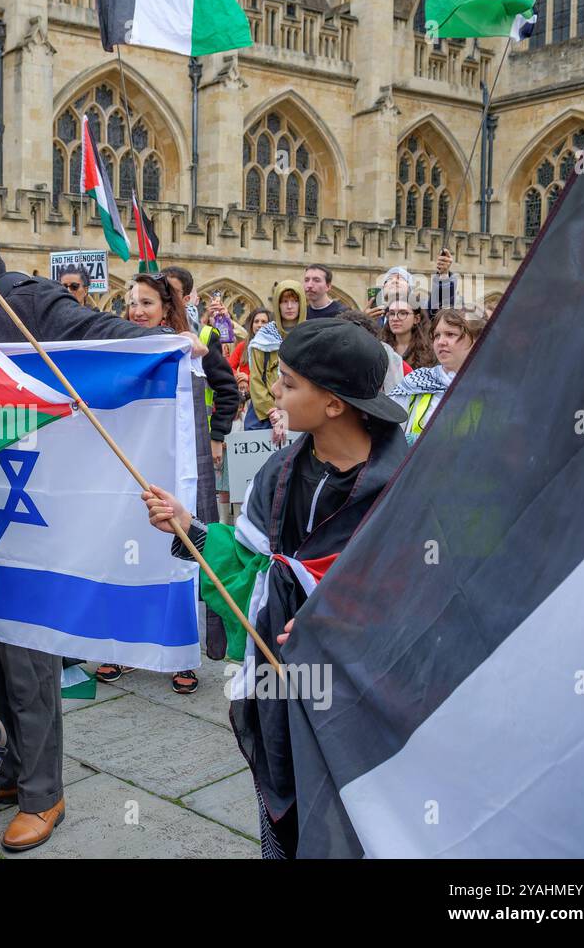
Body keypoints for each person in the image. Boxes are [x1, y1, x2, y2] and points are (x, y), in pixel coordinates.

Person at [0, 210, 165, 851]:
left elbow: (105, 336)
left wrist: (170, 345)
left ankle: (43, 792)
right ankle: (3, 771)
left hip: (27, 512)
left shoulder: (27, 300)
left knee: (26, 661)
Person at [143, 318, 409, 858]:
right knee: (285, 800)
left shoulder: (404, 488)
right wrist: (187, 527)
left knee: (355, 816)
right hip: (281, 682)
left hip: (361, 695)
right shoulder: (280, 471)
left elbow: (418, 597)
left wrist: (340, 627)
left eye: (288, 384)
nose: (274, 395)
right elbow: (254, 566)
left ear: (334, 403)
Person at [96, 274, 233, 693]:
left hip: (178, 470)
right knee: (127, 556)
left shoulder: (186, 345)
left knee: (178, 557)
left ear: (166, 308)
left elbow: (210, 367)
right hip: (131, 468)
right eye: (131, 302)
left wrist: (216, 435)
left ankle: (180, 654)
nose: (137, 310)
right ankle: (121, 648)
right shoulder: (121, 348)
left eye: (146, 303)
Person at [388, 307, 485, 444]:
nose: (440, 342)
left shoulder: (492, 388)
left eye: (450, 334)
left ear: (477, 341)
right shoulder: (416, 381)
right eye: (437, 335)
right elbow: (387, 431)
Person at [246, 280, 307, 429]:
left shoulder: (310, 335)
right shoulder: (263, 338)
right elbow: (256, 380)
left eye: (294, 301)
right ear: (277, 305)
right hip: (267, 415)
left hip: (302, 413)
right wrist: (273, 411)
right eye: (284, 301)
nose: (290, 306)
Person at [228, 306, 271, 408]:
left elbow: (271, 375)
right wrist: (239, 378)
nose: (259, 325)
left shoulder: (273, 347)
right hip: (246, 398)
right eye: (256, 321)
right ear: (252, 325)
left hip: (266, 397)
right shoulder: (243, 346)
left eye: (263, 322)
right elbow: (229, 367)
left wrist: (248, 378)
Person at [379, 297, 435, 371]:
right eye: (392, 314)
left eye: (403, 313)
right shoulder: (380, 347)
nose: (395, 318)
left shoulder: (431, 349)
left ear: (416, 319)